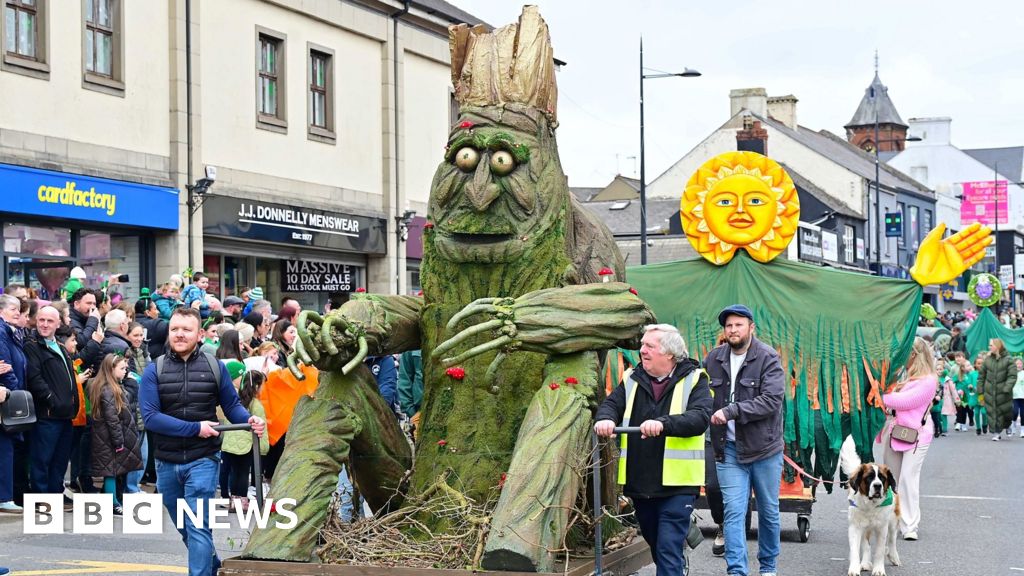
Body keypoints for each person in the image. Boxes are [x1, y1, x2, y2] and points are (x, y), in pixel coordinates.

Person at [140, 307, 265, 576]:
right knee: (186, 527)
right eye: (175, 329)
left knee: (198, 526)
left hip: (204, 460)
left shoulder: (214, 367)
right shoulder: (154, 370)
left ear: (199, 335)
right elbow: (151, 418)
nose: (179, 334)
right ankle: (213, 567)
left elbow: (232, 407)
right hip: (166, 462)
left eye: (186, 329)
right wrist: (194, 428)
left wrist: (250, 419)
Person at [594, 324, 711, 576]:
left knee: (667, 547)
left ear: (669, 353)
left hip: (678, 485)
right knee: (657, 544)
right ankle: (677, 565)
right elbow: (611, 405)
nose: (642, 350)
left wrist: (663, 424)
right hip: (641, 482)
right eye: (642, 344)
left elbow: (700, 418)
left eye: (649, 346)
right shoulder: (631, 378)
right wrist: (605, 419)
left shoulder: (695, 379)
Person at [704, 304, 784, 576]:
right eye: (728, 326)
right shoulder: (713, 359)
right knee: (733, 513)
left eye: (738, 324)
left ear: (751, 328)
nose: (733, 329)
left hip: (765, 450)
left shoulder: (768, 358)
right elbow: (702, 397)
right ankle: (737, 571)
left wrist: (732, 411)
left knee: (769, 512)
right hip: (728, 451)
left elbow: (771, 401)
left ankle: (768, 567)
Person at [879, 337, 937, 541]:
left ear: (914, 354)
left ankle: (909, 524)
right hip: (896, 432)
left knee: (907, 478)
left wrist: (878, 396)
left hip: (917, 435)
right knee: (892, 478)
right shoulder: (906, 377)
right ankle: (892, 518)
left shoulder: (929, 380)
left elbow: (905, 402)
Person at [23, 307, 80, 500]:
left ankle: (56, 493)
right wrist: (51, 400)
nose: (45, 324)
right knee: (42, 459)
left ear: (58, 324)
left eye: (49, 321)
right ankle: (41, 497)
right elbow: (35, 378)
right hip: (47, 414)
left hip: (65, 415)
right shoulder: (32, 345)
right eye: (41, 320)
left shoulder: (61, 347)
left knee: (60, 460)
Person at [88, 354, 144, 516]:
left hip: (109, 437)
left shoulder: (112, 386)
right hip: (109, 438)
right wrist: (118, 441)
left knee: (112, 470)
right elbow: (112, 418)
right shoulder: (108, 389)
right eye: (122, 368)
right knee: (110, 472)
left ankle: (111, 499)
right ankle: (113, 503)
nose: (126, 371)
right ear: (111, 369)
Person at [221, 370, 269, 511]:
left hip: (229, 444)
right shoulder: (256, 405)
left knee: (233, 473)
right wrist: (264, 448)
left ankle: (233, 501)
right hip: (246, 445)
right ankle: (242, 501)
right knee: (242, 473)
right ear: (256, 386)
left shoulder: (235, 401)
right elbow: (262, 428)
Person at [0, 294, 27, 513]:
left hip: (9, 393)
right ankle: (4, 497)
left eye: (19, 308)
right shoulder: (2, 332)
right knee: (5, 447)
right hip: (6, 397)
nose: (17, 312)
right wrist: (16, 393)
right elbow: (6, 367)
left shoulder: (12, 332)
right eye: (12, 308)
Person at [978, 338, 1016, 441]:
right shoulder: (987, 360)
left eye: (991, 345)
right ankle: (996, 432)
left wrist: (1007, 388)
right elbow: (981, 376)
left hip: (1004, 392)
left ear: (997, 346)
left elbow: (1012, 376)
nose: (989, 347)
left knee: (1005, 412)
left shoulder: (1009, 359)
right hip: (989, 392)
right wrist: (980, 392)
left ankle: (1008, 425)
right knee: (992, 412)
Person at [1013, 359, 1024, 438]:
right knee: (1015, 411)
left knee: (1023, 414)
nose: (1019, 365)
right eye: (1017, 363)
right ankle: (1013, 425)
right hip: (1014, 397)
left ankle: (1022, 430)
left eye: (1020, 363)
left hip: (1023, 396)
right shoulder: (1011, 374)